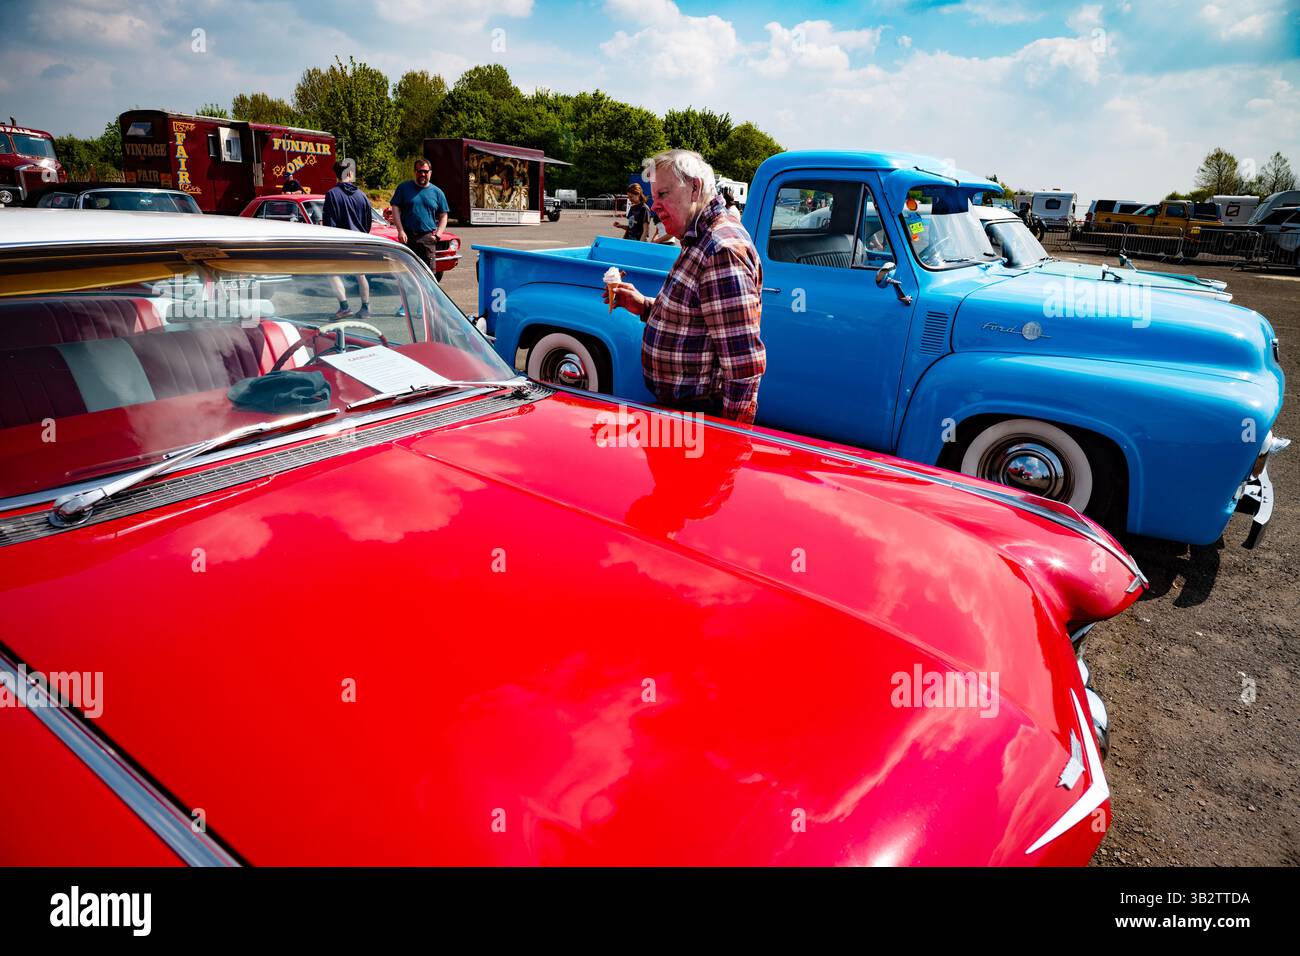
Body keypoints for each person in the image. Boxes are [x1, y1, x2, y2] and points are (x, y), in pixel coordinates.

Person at [604, 148, 766, 425]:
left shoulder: (720, 249)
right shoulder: (699, 237)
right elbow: (697, 315)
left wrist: (731, 441)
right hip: (683, 412)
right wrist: (643, 305)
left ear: (695, 188)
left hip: (702, 418)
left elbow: (742, 365)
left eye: (663, 194)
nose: (654, 206)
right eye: (653, 197)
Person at [322, 160, 374, 319]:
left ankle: (344, 307)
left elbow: (329, 222)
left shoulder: (332, 194)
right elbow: (368, 221)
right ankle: (365, 307)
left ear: (336, 175)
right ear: (349, 173)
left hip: (340, 242)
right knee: (361, 275)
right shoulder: (362, 195)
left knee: (332, 273)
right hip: (359, 241)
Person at [390, 159, 450, 280]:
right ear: (415, 172)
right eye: (419, 171)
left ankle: (426, 299)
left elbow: (443, 215)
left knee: (428, 277)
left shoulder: (437, 192)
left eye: (425, 171)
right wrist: (400, 231)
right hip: (407, 238)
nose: (422, 174)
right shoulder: (403, 188)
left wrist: (437, 235)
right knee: (405, 275)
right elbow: (395, 207)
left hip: (427, 239)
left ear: (430, 173)